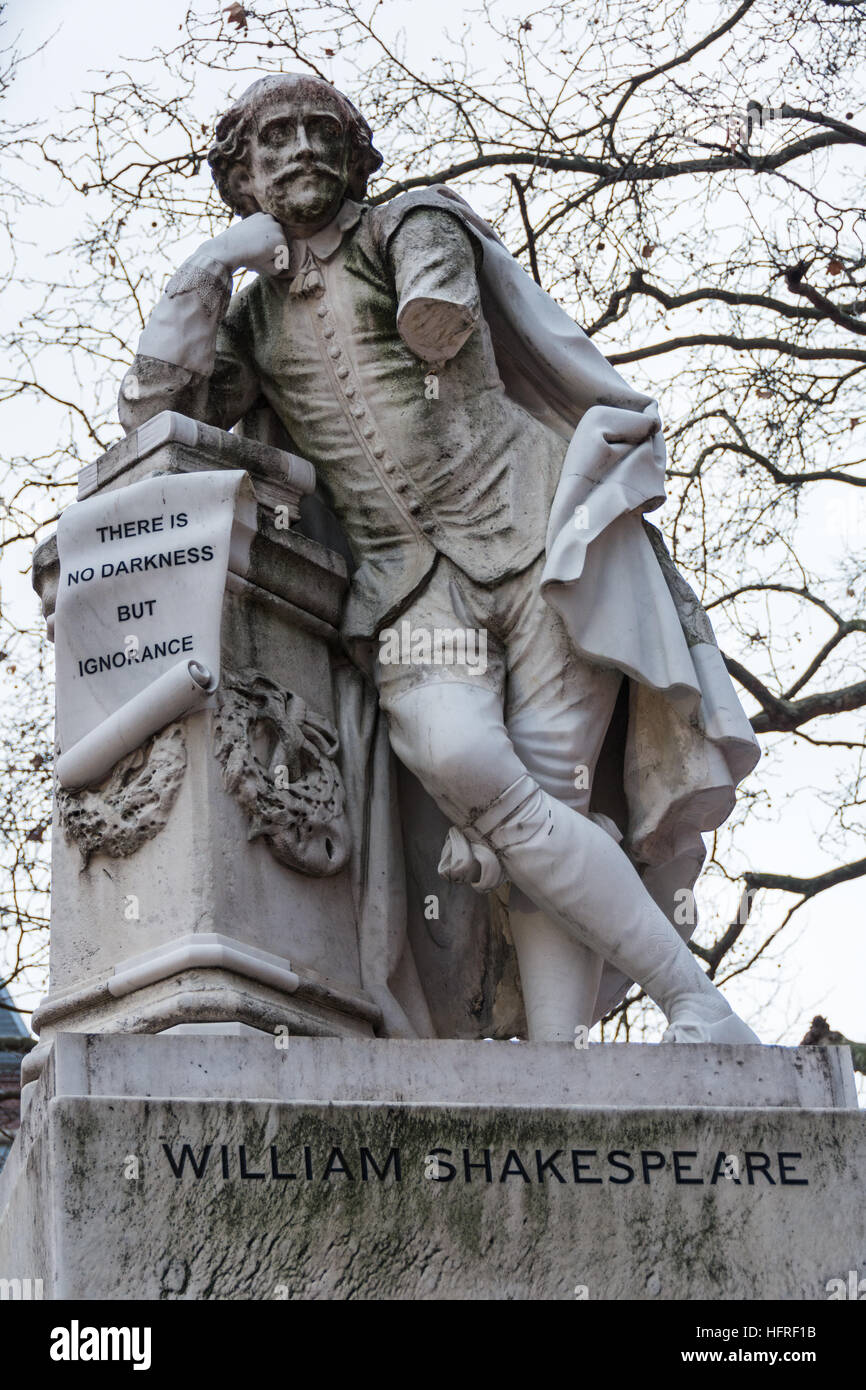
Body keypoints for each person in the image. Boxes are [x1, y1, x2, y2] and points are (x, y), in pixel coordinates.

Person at [118, 72, 760, 1045]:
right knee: (470, 767)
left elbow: (438, 312)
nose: (297, 150)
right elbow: (154, 414)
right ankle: (690, 996)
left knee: (546, 796)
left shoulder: (410, 225)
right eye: (272, 140)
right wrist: (210, 268)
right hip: (410, 596)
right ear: (241, 174)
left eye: (317, 131)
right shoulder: (249, 319)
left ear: (352, 154)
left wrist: (411, 252)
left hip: (538, 542)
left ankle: (565, 1061)